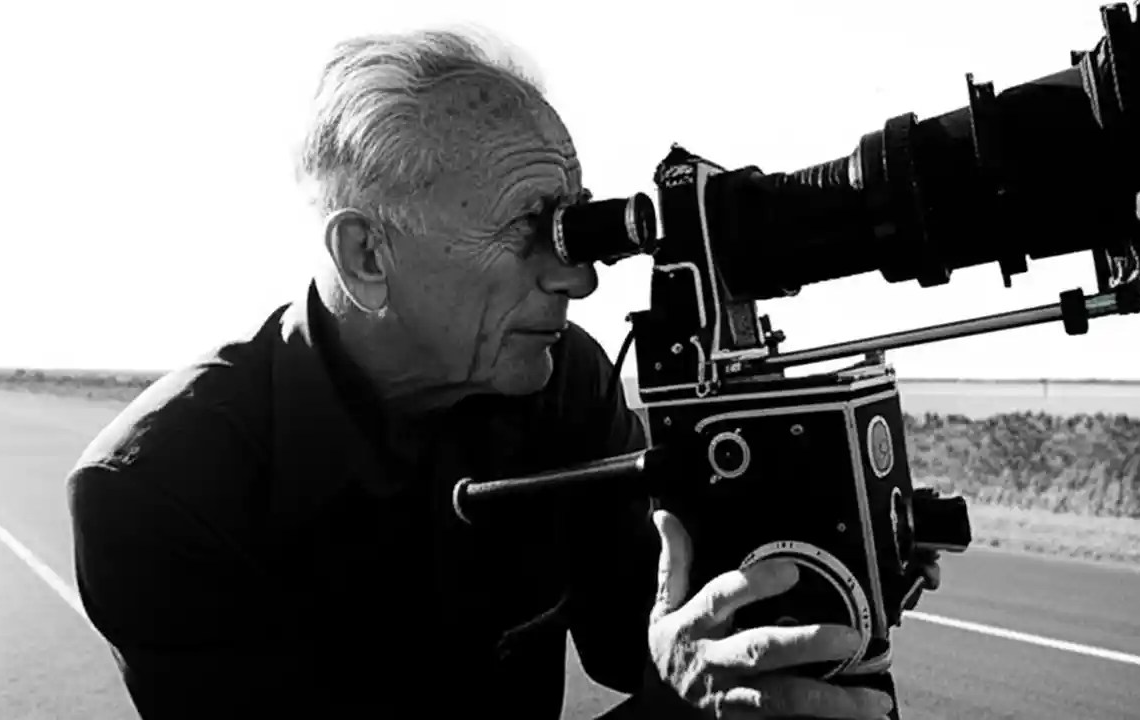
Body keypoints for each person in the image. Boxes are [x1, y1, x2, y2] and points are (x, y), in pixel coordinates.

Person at [66, 28, 938, 720]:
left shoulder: (563, 377)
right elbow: (669, 694)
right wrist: (673, 714)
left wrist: (793, 562)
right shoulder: (156, 491)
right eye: (530, 228)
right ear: (368, 254)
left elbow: (638, 639)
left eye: (576, 225)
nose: (579, 278)